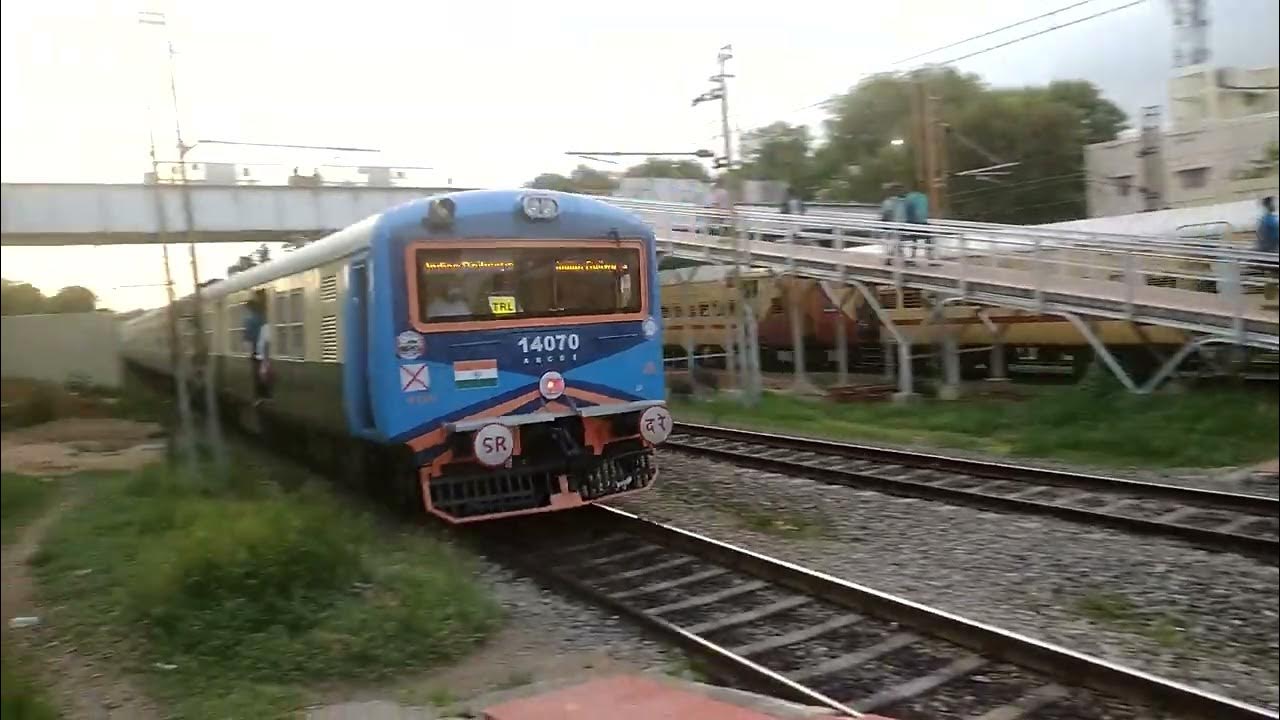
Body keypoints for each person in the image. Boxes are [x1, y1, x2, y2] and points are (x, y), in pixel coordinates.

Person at [243, 291, 271, 405]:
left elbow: (248, 338)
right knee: (263, 371)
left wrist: (249, 352)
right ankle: (267, 395)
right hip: (264, 347)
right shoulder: (262, 318)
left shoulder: (249, 320)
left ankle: (259, 397)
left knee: (256, 373)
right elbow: (266, 333)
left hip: (256, 348)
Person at [902, 185, 932, 263]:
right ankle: (930, 257)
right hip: (922, 222)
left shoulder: (909, 197)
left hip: (912, 221)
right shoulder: (923, 197)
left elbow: (906, 209)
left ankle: (912, 257)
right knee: (928, 238)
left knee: (913, 239)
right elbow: (925, 210)